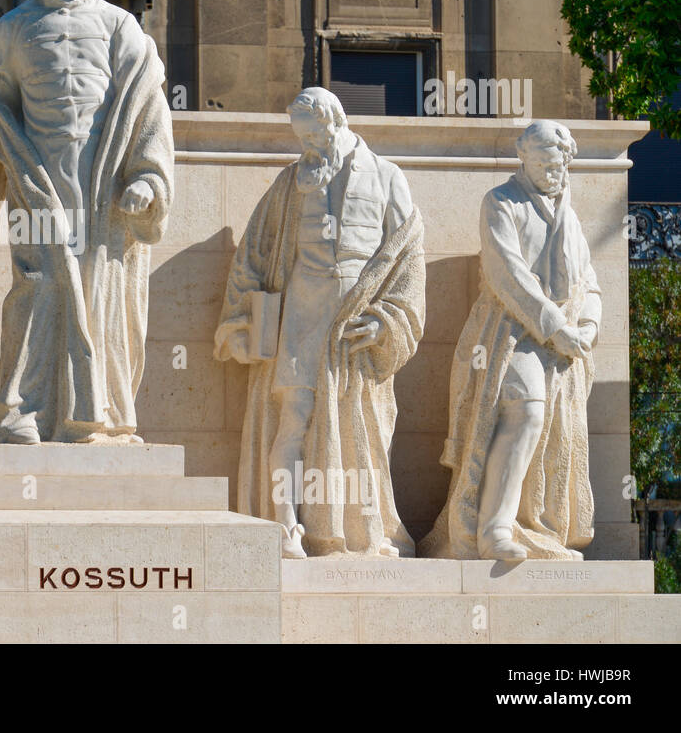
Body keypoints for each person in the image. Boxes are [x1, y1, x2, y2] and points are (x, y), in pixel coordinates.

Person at [0, 0, 175, 445]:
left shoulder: (119, 27)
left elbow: (148, 105)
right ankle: (22, 413)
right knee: (36, 289)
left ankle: (98, 417)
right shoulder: (15, 28)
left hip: (103, 188)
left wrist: (147, 178)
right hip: (35, 180)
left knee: (99, 296)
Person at [214, 87, 423, 558]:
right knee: (293, 418)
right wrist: (239, 323)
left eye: (312, 134)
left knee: (360, 425)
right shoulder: (289, 184)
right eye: (300, 137)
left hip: (355, 322)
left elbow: (408, 256)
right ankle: (285, 526)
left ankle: (358, 529)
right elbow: (253, 253)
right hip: (301, 316)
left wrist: (388, 322)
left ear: (335, 121)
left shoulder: (387, 176)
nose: (306, 145)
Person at [422, 120, 598, 561]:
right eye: (539, 163)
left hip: (563, 343)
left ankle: (532, 523)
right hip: (508, 333)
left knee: (549, 426)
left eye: (556, 165)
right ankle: (493, 529)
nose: (549, 172)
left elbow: (588, 283)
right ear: (523, 158)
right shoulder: (501, 201)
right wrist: (556, 327)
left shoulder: (571, 218)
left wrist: (589, 327)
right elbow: (507, 273)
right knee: (526, 409)